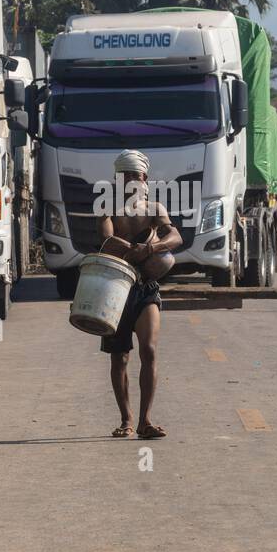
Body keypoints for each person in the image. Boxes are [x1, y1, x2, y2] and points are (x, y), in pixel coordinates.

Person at [97, 149, 181, 439]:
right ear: (117, 179)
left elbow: (175, 237)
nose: (132, 180)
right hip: (116, 290)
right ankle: (126, 419)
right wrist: (128, 247)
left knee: (149, 350)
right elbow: (106, 238)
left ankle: (146, 420)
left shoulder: (156, 209)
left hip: (145, 289)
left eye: (136, 175)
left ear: (145, 178)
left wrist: (151, 248)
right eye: (125, 176)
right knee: (119, 357)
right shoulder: (108, 207)